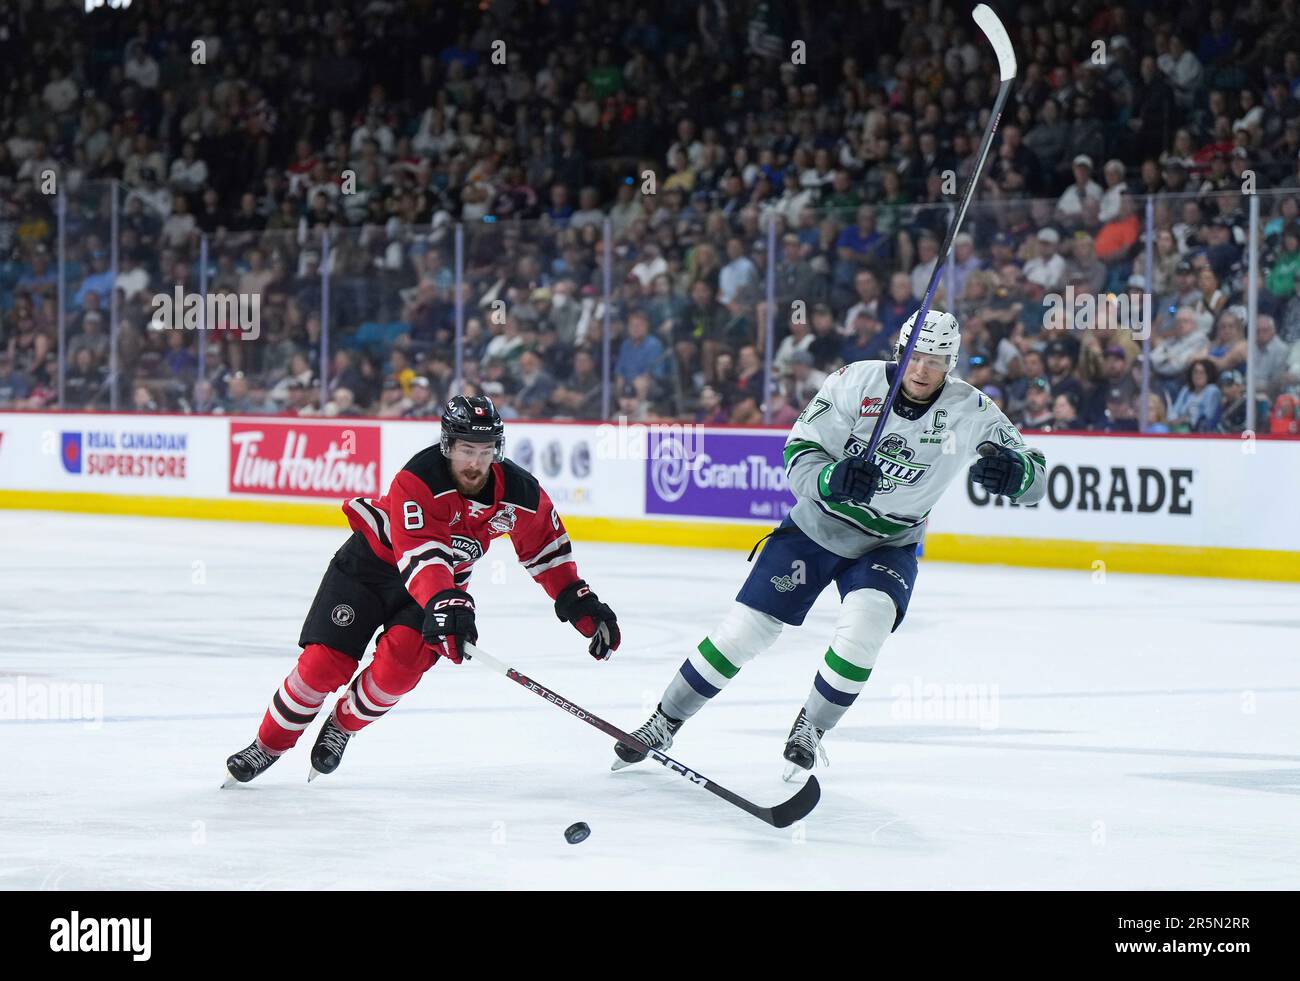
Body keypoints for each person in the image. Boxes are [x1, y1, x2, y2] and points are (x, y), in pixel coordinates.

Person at [611, 310, 1047, 780]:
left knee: (867, 628)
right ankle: (664, 720)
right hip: (817, 528)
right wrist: (831, 479)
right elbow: (797, 453)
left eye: (937, 360)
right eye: (916, 357)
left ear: (952, 364)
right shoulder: (853, 382)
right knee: (744, 632)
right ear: (899, 353)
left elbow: (1036, 474)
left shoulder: (971, 408)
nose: (923, 370)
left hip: (890, 542)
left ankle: (811, 730)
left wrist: (1017, 474)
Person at [224, 395, 621, 784]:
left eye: (485, 451)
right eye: (467, 449)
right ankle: (267, 746)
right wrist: (446, 601)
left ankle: (342, 726)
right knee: (322, 667)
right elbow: (421, 554)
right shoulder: (419, 478)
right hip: (370, 572)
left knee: (398, 672)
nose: (475, 462)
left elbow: (546, 550)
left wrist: (578, 602)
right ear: (448, 445)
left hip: (437, 591)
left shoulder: (521, 493)